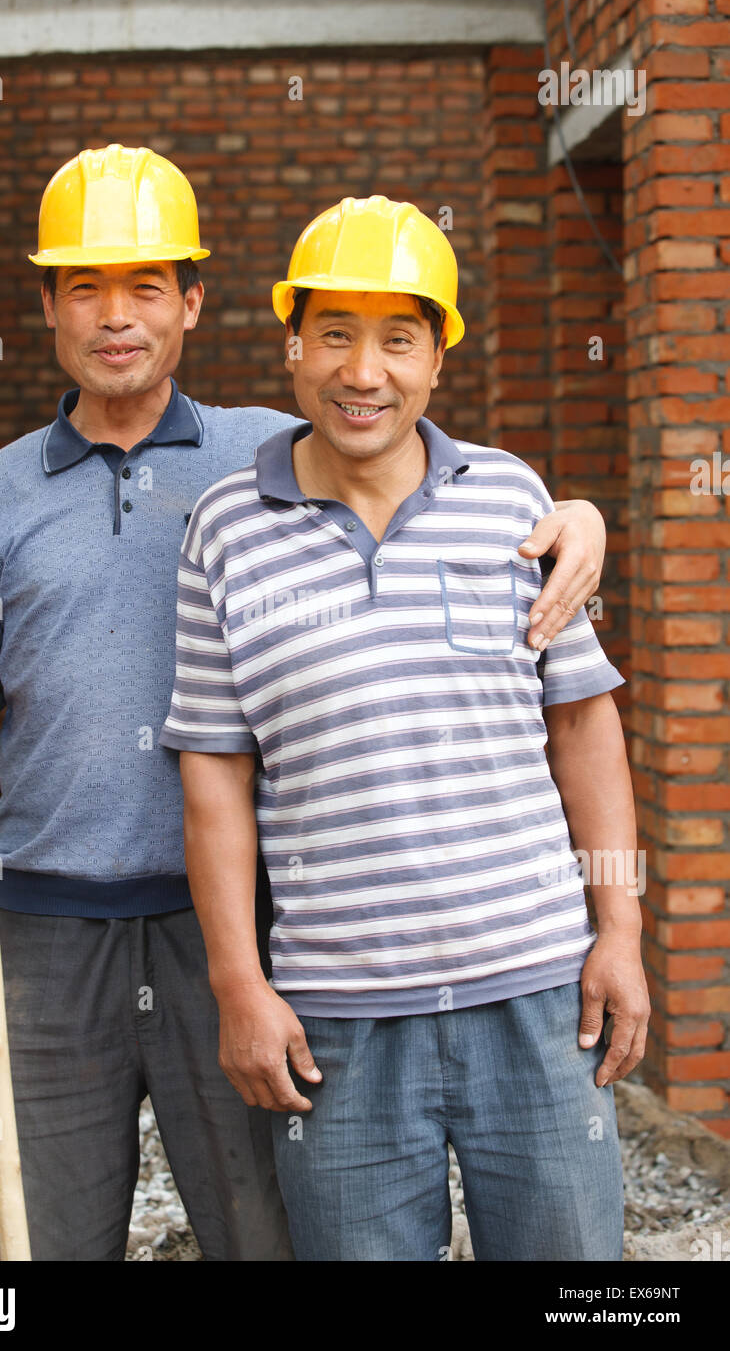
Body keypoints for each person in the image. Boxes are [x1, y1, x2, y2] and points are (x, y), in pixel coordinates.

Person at [0, 147, 608, 1261]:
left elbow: (410, 459)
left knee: (260, 1233)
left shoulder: (259, 454)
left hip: (227, 924)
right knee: (44, 1237)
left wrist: (576, 511)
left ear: (191, 303)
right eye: (84, 288)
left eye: (145, 287)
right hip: (45, 924)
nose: (116, 316)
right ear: (45, 308)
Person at [159, 195, 649, 1262]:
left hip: (536, 992)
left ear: (435, 360)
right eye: (334, 333)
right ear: (292, 348)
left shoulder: (512, 503)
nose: (362, 370)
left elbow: (583, 729)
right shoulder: (225, 531)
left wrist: (618, 929)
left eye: (395, 339)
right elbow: (211, 777)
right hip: (334, 1017)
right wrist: (238, 983)